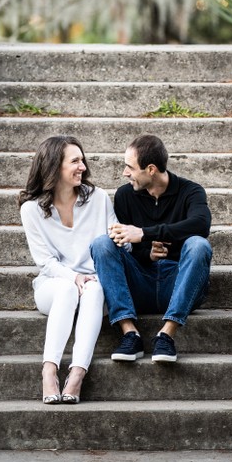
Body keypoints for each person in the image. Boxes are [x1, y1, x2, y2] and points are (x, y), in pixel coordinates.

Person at [90, 133, 212, 363]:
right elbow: (125, 248)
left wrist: (145, 233)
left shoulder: (191, 191)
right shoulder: (126, 195)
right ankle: (129, 333)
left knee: (198, 245)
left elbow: (201, 225)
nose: (125, 173)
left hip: (179, 285)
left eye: (130, 167)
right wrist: (147, 253)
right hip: (140, 284)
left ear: (151, 169)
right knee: (102, 243)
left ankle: (166, 335)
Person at [19, 135, 117, 404]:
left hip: (95, 286)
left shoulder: (98, 198)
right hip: (54, 284)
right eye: (75, 161)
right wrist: (74, 277)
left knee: (95, 289)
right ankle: (49, 370)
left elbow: (114, 243)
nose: (83, 166)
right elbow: (46, 263)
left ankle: (77, 374)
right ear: (54, 167)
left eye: (82, 160)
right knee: (66, 289)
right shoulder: (31, 210)